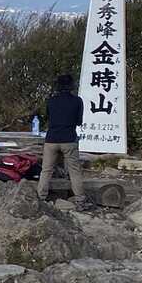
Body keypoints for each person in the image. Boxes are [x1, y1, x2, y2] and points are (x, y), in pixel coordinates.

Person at [37, 74, 86, 205]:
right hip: (69, 139)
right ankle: (80, 199)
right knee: (74, 170)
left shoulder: (50, 100)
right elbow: (79, 121)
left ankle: (40, 197)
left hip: (52, 139)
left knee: (46, 170)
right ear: (71, 86)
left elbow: (48, 118)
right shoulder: (77, 101)